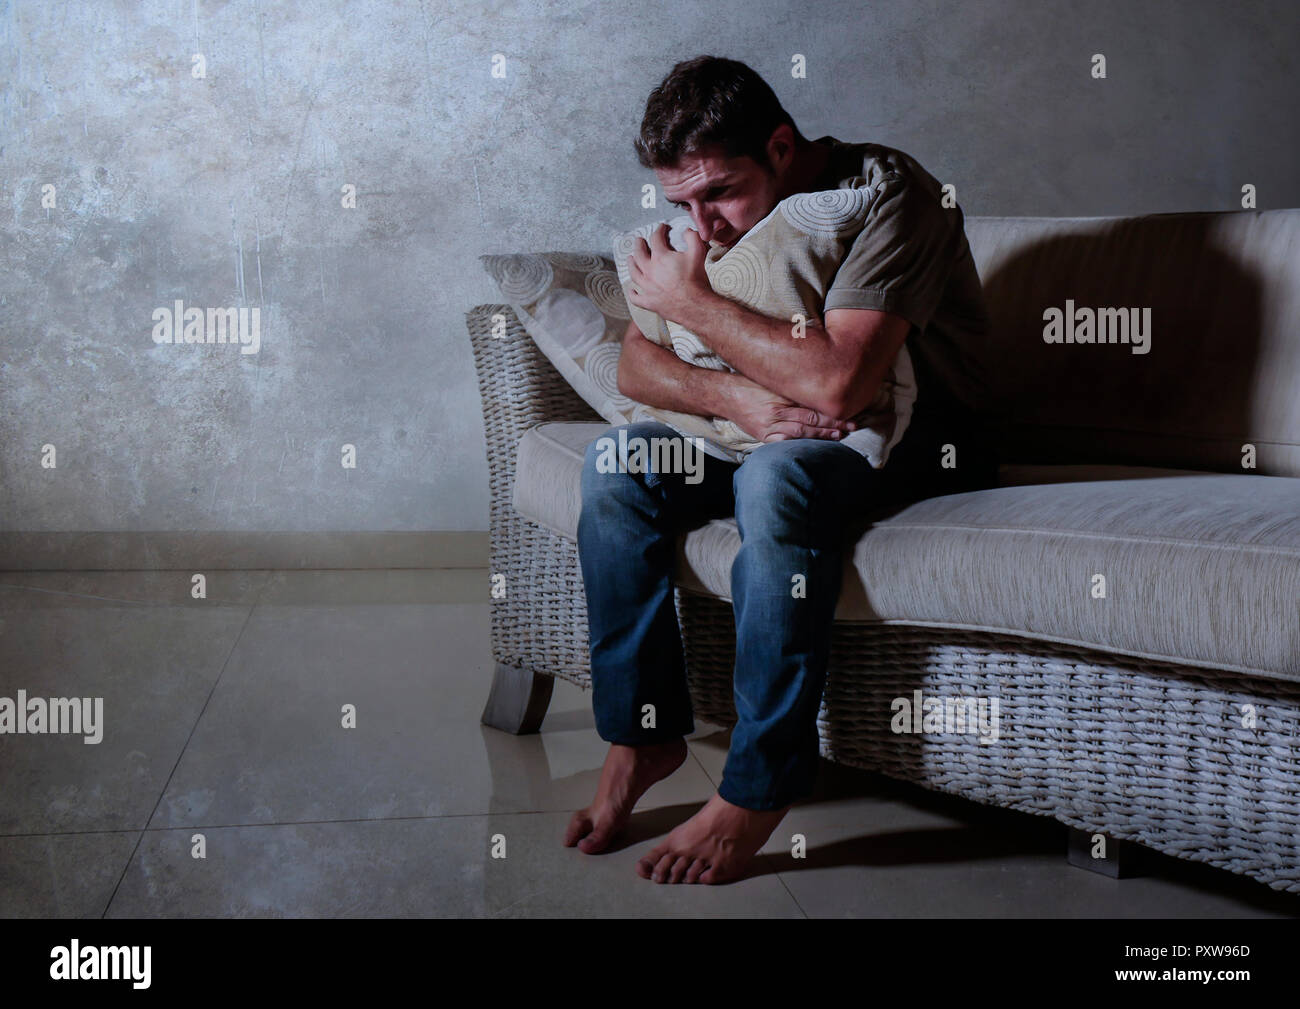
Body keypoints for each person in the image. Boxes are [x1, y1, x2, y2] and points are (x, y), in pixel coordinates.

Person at [564, 55, 1000, 884]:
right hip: (763, 432)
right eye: (680, 204)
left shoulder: (889, 194)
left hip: (919, 445)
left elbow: (841, 381)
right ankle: (643, 733)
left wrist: (692, 302)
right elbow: (634, 367)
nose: (705, 226)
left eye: (719, 193)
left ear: (779, 144)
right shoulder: (717, 212)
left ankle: (759, 786)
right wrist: (736, 400)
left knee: (776, 479)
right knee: (618, 460)